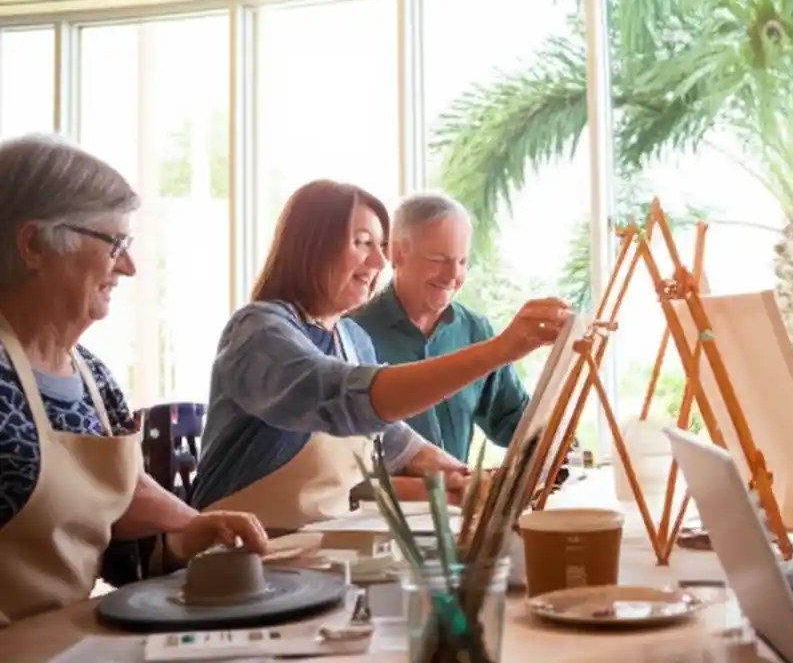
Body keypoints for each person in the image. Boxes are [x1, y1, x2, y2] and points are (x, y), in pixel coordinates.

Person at [192, 180, 569, 533]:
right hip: (234, 557)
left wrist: (463, 477)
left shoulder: (352, 337)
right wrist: (499, 350)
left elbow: (388, 439)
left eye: (379, 246)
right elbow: (341, 397)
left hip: (314, 548)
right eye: (362, 243)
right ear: (311, 245)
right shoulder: (259, 332)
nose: (379, 262)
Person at [0, 135, 267, 627]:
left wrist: (192, 529)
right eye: (115, 244)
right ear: (34, 245)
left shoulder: (93, 376)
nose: (129, 266)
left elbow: (112, 513)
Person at [351, 193, 527, 462]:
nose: (452, 276)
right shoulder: (352, 334)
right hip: (382, 504)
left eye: (462, 262)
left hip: (461, 502)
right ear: (398, 254)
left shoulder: (476, 331)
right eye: (438, 259)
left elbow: (515, 422)